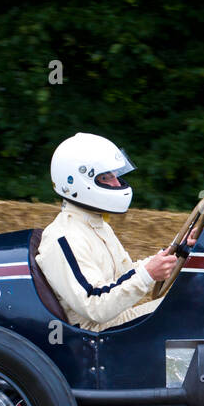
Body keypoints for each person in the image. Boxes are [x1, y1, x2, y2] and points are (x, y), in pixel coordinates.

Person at [36, 132, 183, 331]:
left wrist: (172, 255)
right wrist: (147, 275)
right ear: (77, 182)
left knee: (194, 301)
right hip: (99, 335)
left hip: (116, 322)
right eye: (106, 177)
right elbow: (96, 305)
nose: (116, 183)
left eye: (115, 176)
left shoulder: (96, 224)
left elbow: (124, 275)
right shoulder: (63, 238)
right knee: (190, 310)